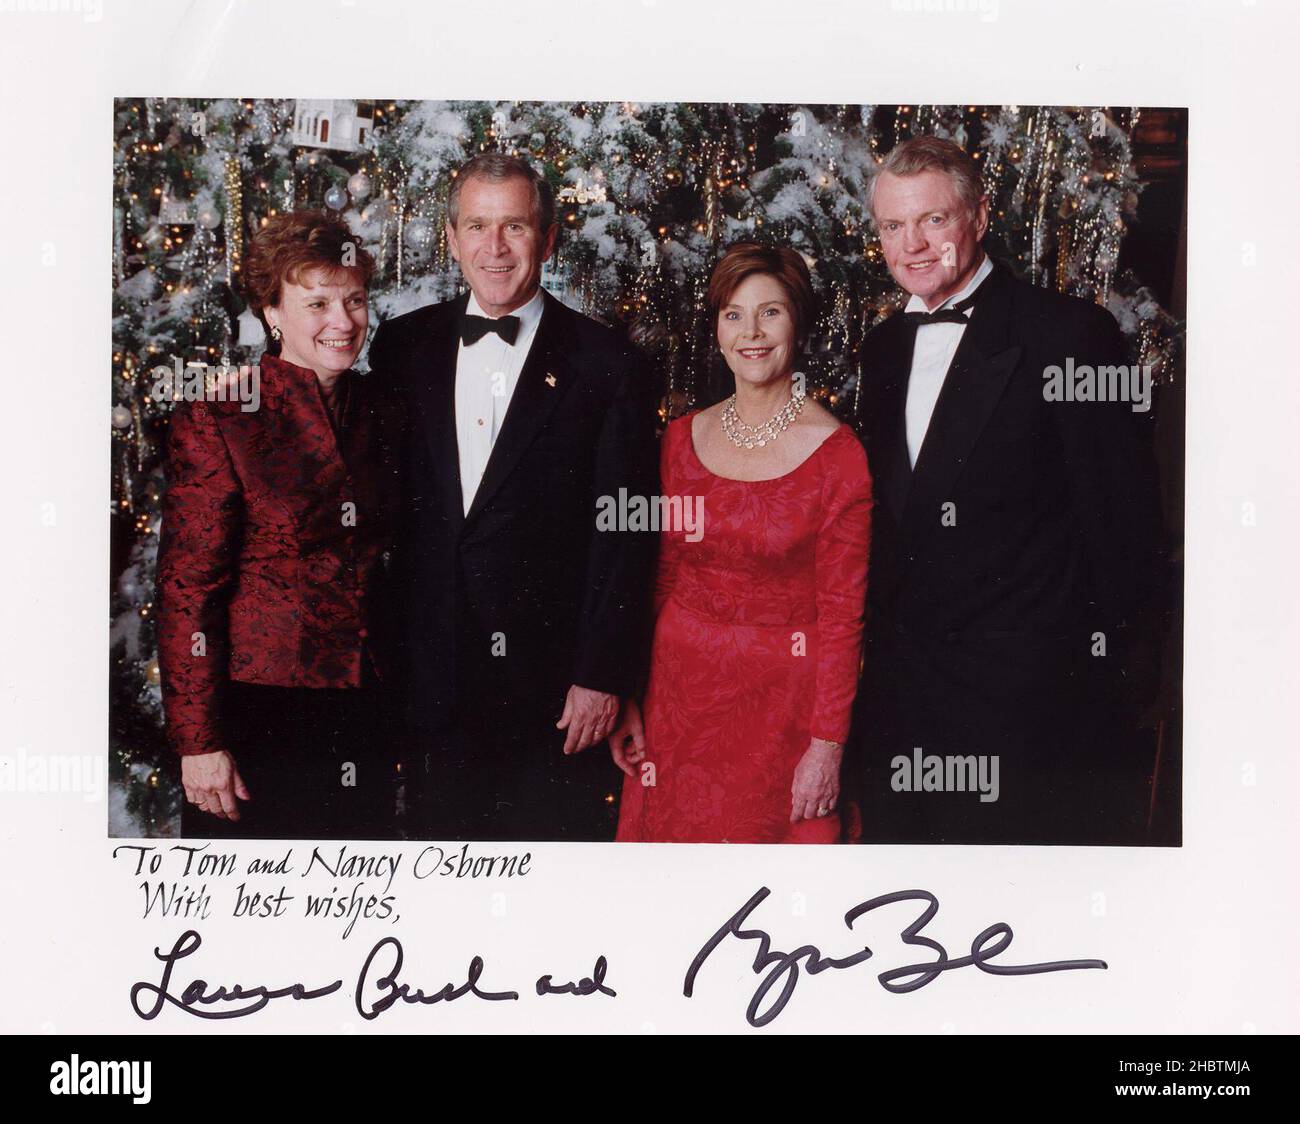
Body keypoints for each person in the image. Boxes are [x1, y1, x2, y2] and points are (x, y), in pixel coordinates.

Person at [851, 136, 1165, 845]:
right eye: (893, 227)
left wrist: (1101, 680)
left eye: (934, 220)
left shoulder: (1070, 335)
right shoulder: (883, 348)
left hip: (1023, 713)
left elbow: (1122, 529)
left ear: (980, 216)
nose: (914, 245)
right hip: (903, 706)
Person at [367, 154, 658, 842]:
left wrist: (601, 676)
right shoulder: (405, 346)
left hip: (553, 697)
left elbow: (627, 534)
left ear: (549, 237)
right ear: (453, 235)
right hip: (430, 684)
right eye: (477, 226)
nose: (494, 248)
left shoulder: (607, 364)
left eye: (515, 227)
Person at [613, 243, 873, 844]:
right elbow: (662, 578)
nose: (750, 333)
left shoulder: (839, 457)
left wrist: (826, 748)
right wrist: (631, 694)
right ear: (716, 328)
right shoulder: (679, 439)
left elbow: (841, 617)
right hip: (674, 707)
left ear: (798, 323)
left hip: (781, 714)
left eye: (770, 313)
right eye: (733, 314)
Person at [157, 209, 402, 839]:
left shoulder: (386, 410)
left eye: (353, 300)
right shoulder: (222, 417)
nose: (342, 323)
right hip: (257, 718)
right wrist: (198, 742)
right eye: (316, 303)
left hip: (368, 711)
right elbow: (189, 591)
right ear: (272, 311)